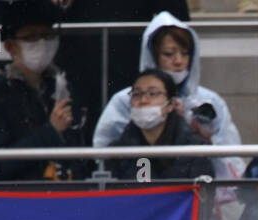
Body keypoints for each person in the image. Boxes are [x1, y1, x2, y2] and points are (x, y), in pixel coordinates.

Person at [93, 12, 245, 180]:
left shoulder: (209, 101)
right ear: (153, 55)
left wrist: (201, 137)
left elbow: (230, 156)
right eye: (169, 54)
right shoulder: (123, 100)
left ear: (171, 104)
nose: (178, 61)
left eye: (185, 53)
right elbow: (104, 150)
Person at [0, 2, 89, 182]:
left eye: (46, 35)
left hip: (67, 192)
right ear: (11, 47)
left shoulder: (64, 86)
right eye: (30, 37)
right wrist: (51, 133)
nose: (41, 43)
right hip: (20, 197)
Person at [56, 0, 191, 143]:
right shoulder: (122, 100)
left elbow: (178, 19)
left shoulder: (196, 97)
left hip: (130, 65)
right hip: (82, 68)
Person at [105, 70, 215, 181]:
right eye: (137, 94)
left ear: (171, 104)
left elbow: (203, 195)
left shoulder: (194, 149)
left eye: (152, 94)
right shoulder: (117, 152)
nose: (143, 100)